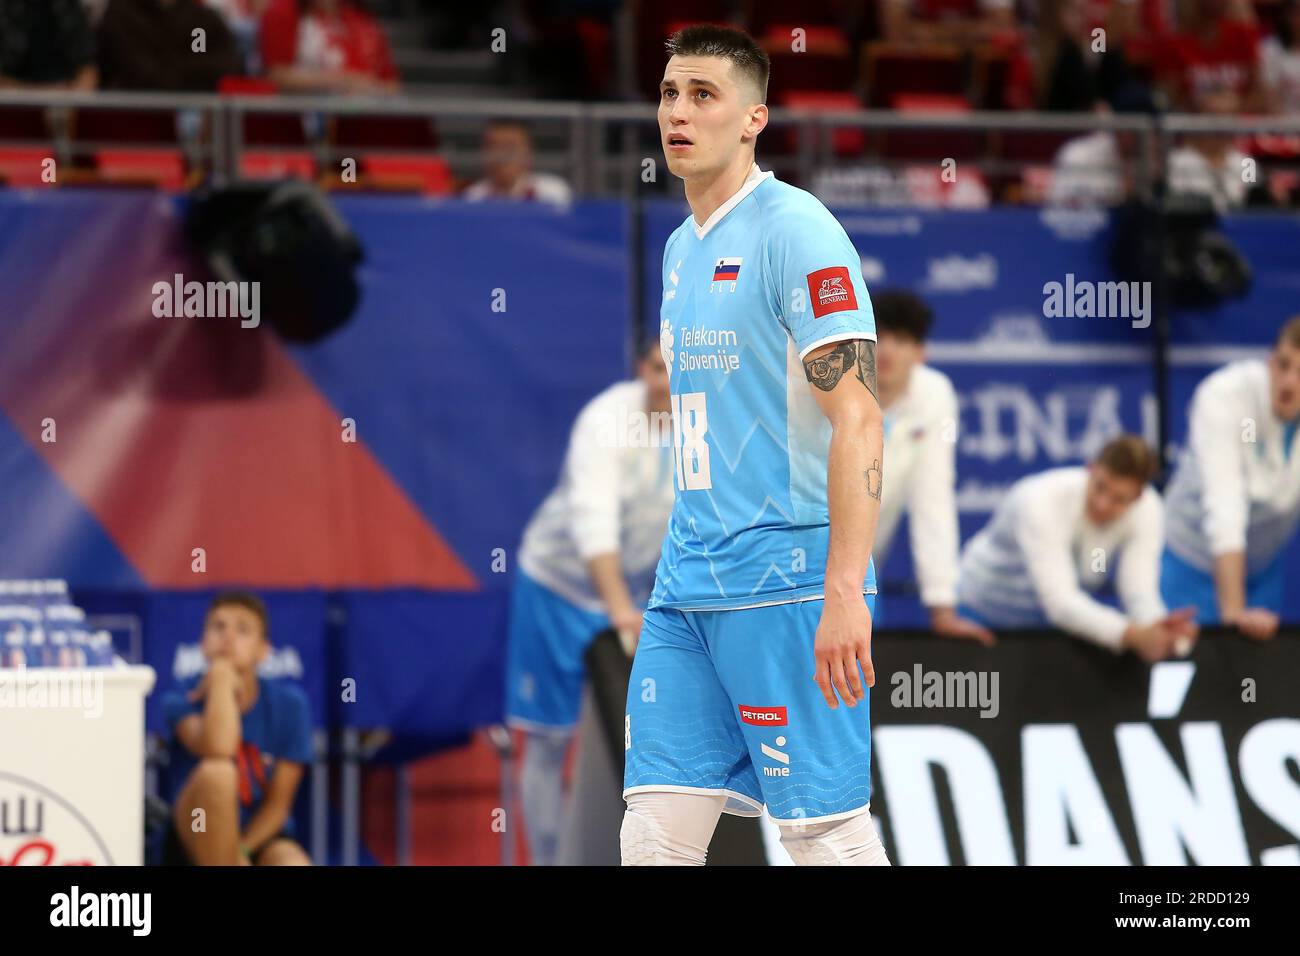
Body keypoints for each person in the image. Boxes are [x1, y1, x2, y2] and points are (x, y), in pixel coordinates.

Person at [622, 25, 889, 867]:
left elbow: (860, 416)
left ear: (754, 118)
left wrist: (844, 589)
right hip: (686, 584)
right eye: (669, 93)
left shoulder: (796, 229)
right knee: (654, 837)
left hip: (790, 582)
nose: (678, 112)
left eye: (703, 95)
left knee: (823, 836)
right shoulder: (678, 249)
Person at [506, 338, 675, 865]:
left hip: (638, 594)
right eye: (655, 368)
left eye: (677, 368)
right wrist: (621, 610)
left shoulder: (710, 423)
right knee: (549, 742)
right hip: (559, 589)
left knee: (653, 740)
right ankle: (551, 860)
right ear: (640, 368)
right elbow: (594, 524)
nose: (664, 381)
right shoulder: (605, 418)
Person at [957, 436, 1199, 662]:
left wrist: (1158, 627)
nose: (1103, 504)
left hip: (1046, 625)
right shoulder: (1040, 501)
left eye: (1119, 498)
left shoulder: (1148, 510)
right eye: (1100, 487)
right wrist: (1135, 635)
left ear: (1138, 497)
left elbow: (1138, 592)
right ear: (1090, 468)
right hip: (979, 612)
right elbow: (1060, 602)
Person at [1162, 316, 1300, 638]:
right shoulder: (1223, 396)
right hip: (1187, 564)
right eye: (1283, 365)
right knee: (1177, 679)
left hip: (1263, 569)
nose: (1289, 383)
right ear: (1270, 361)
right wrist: (1234, 617)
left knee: (1250, 685)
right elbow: (1225, 511)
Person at [870, 289, 992, 644]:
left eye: (902, 340)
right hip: (791, 564)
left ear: (921, 353)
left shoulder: (935, 394)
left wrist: (942, 608)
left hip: (858, 573)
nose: (888, 349)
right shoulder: (832, 381)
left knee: (851, 688)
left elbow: (932, 500)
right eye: (879, 336)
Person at [160, 592, 313, 865]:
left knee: (292, 862)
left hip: (257, 837)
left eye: (242, 630)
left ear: (264, 650)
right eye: (218, 627)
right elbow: (219, 748)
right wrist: (220, 678)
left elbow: (278, 805)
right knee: (217, 773)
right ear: (203, 643)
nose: (228, 637)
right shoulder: (181, 698)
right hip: (194, 831)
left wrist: (240, 852)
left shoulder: (291, 705)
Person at [259, 0, 398, 95]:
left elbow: (391, 84)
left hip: (363, 119)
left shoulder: (364, 21)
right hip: (301, 119)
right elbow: (276, 75)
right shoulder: (283, 12)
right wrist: (344, 81)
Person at [97, 0, 242, 90]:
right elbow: (138, 72)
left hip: (197, 118)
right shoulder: (121, 15)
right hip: (130, 124)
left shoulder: (202, 21)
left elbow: (227, 65)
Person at [463, 120, 573, 210]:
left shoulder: (553, 192)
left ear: (529, 151)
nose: (502, 155)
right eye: (494, 147)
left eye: (510, 147)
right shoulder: (474, 196)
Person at [0, 0, 97, 90]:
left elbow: (88, 69)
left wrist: (70, 98)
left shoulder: (68, 8)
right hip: (11, 100)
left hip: (62, 100)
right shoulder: (5, 9)